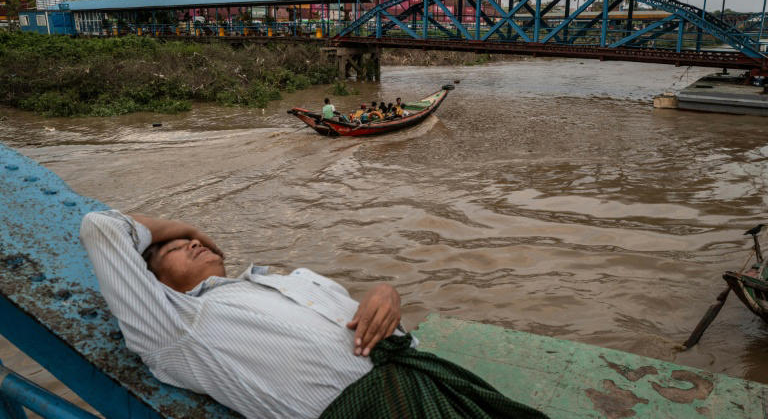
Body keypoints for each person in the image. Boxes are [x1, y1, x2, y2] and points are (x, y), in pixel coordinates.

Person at [80, 211, 547, 419]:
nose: (194, 244)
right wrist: (187, 225)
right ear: (153, 285)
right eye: (177, 249)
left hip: (427, 378)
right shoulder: (175, 324)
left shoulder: (290, 279)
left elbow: (381, 329)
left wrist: (387, 294)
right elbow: (101, 227)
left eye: (194, 240)